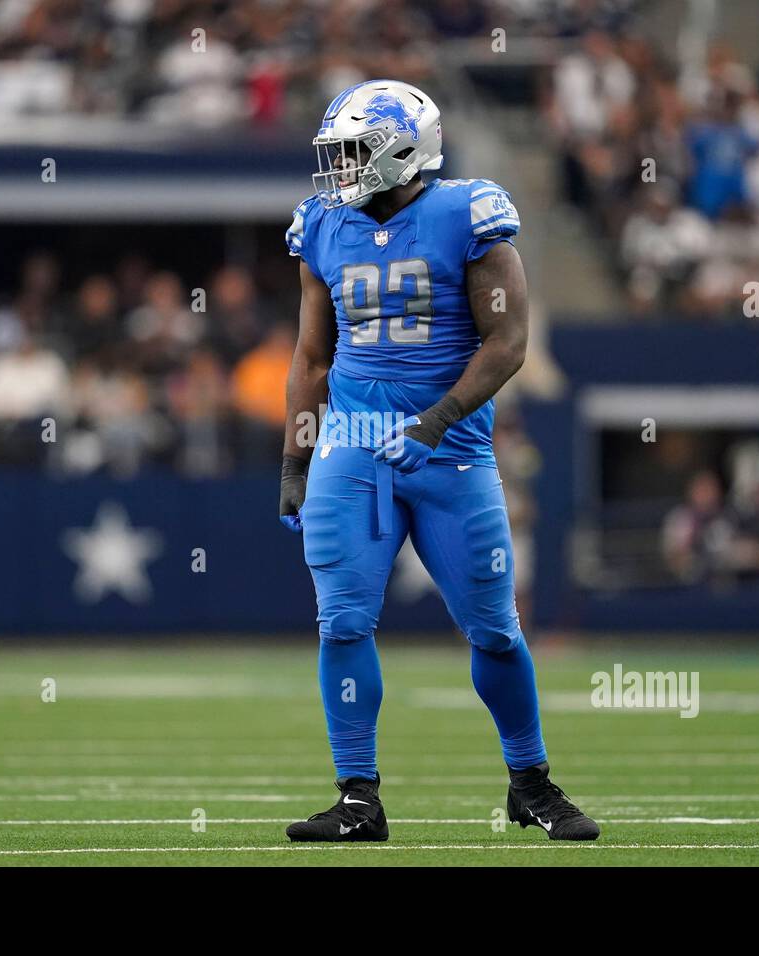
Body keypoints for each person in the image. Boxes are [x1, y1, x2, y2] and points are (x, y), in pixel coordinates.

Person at [278, 79, 599, 843]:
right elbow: (311, 356)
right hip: (353, 447)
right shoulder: (323, 225)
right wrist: (295, 456)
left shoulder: (466, 213)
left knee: (493, 629)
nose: (340, 169)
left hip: (450, 452)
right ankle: (359, 797)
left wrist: (437, 419)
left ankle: (531, 782)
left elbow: (508, 343)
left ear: (403, 148)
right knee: (342, 622)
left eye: (355, 151)